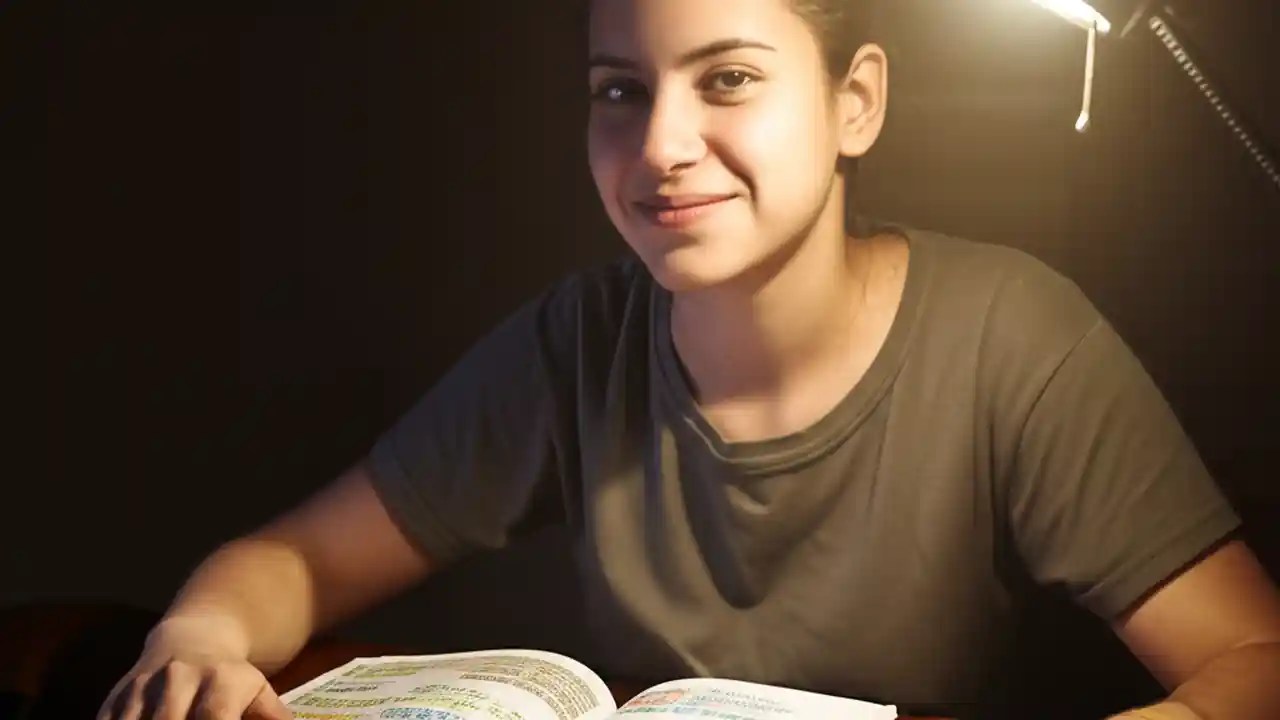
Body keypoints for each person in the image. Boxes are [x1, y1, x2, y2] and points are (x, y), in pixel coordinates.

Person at [99, 0, 1280, 718]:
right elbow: (294, 562)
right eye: (618, 90)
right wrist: (198, 637)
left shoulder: (1010, 336)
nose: (660, 144)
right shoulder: (579, 342)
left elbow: (1253, 658)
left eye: (727, 79)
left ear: (855, 103)